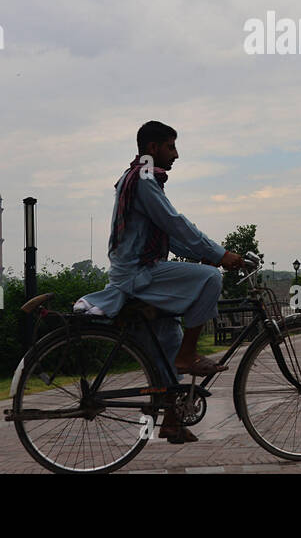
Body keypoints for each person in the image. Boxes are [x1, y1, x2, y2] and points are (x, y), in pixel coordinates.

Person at [77, 120, 246, 444]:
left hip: (136, 270)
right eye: (171, 147)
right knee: (211, 279)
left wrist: (210, 252)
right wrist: (218, 256)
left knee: (169, 339)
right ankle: (190, 355)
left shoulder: (136, 177)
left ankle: (170, 421)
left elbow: (166, 235)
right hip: (139, 275)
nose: (177, 154)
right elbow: (174, 222)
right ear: (153, 148)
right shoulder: (143, 179)